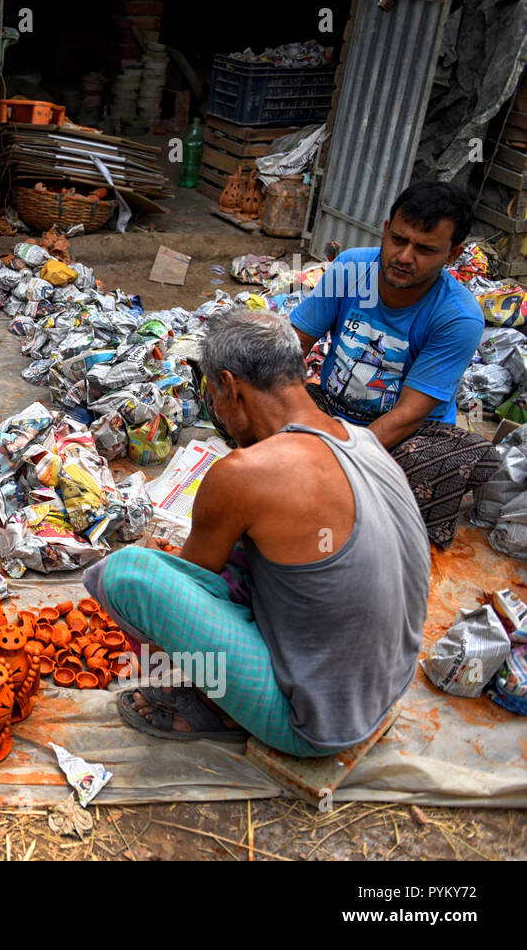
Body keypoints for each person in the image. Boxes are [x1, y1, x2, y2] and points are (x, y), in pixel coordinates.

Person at [84, 311, 430, 758]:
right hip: (385, 689)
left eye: (214, 398)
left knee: (128, 575)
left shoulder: (242, 475)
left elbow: (191, 578)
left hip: (317, 724)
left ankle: (211, 704)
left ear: (229, 386)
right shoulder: (363, 441)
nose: (220, 414)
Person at [290, 181, 499, 545]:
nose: (404, 257)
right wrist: (273, 398)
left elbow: (409, 415)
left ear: (453, 255)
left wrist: (340, 458)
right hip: (331, 409)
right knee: (236, 385)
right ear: (386, 230)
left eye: (424, 249)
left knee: (441, 464)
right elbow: (294, 345)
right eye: (399, 240)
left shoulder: (458, 316)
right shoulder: (351, 269)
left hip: (405, 435)